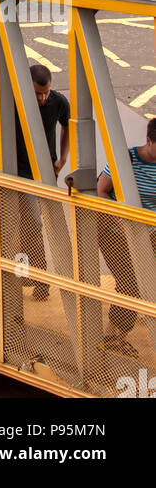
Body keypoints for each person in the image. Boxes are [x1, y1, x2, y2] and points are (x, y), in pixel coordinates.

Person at [96, 116, 156, 350]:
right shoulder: (126, 160)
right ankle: (113, 337)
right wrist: (119, 217)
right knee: (131, 281)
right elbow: (102, 190)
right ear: (148, 140)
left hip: (150, 231)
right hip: (116, 231)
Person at [14, 64, 70, 301]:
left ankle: (35, 276)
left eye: (46, 92)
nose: (43, 98)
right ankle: (35, 276)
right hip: (19, 172)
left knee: (32, 225)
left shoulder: (57, 102)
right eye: (38, 93)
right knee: (29, 225)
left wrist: (63, 157)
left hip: (46, 173)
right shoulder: (14, 101)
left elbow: (67, 125)